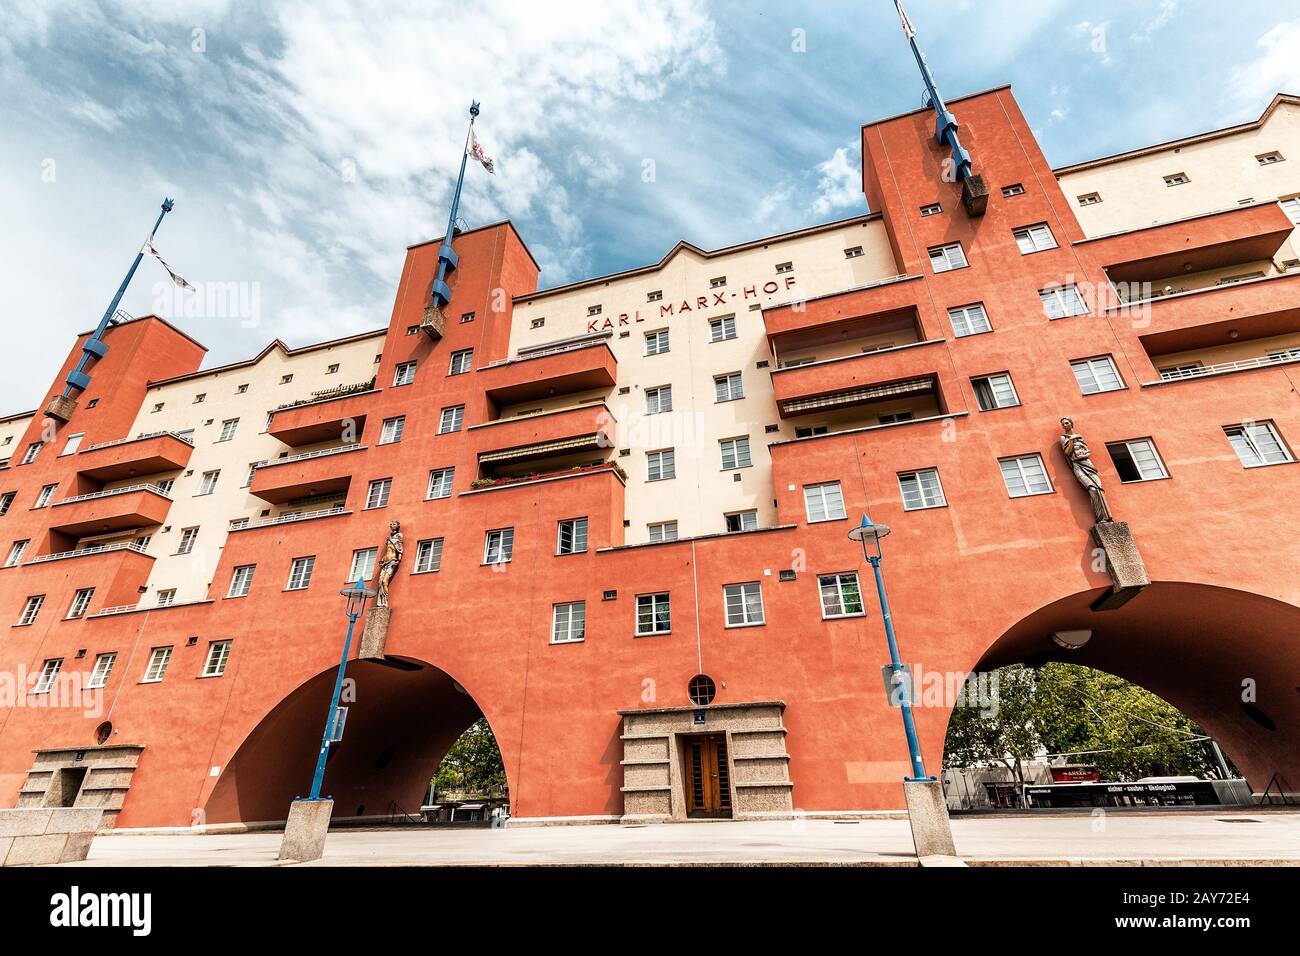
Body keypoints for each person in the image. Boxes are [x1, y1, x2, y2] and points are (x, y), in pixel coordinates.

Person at [1059, 417, 1113, 524]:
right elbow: (1067, 452)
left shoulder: (1080, 437)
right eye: (1063, 424)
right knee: (1092, 489)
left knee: (1099, 488)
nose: (1064, 425)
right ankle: (1100, 517)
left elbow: (1086, 450)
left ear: (1071, 424)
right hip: (1077, 466)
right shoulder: (1063, 438)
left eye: (1067, 423)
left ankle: (1108, 517)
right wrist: (1071, 440)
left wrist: (1085, 453)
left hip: (1088, 464)